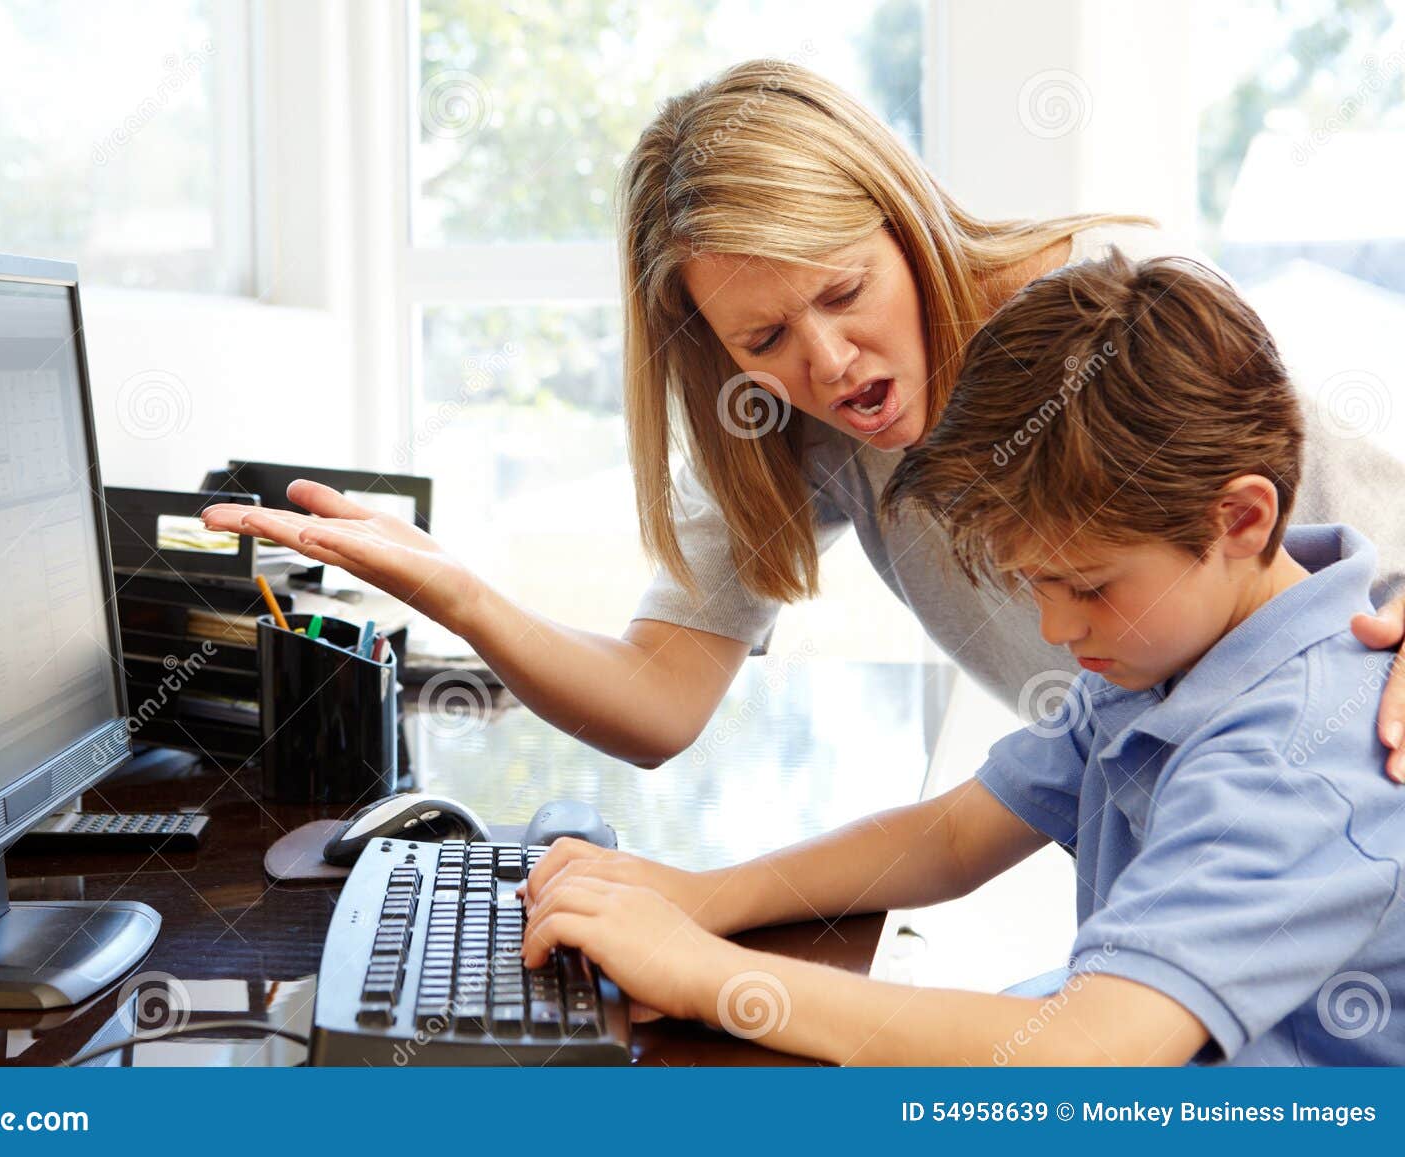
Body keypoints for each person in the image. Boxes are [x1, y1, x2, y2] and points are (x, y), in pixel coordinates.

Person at [200, 60, 1405, 778]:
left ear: (902, 218)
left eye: (843, 292)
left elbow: (1374, 535)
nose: (828, 364)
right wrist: (453, 590)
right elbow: (659, 701)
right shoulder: (786, 424)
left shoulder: (1104, 318)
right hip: (1158, 827)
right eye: (761, 337)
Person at [517, 253, 1405, 1065]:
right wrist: (701, 897)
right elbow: (954, 834)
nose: (1056, 627)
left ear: (1241, 520)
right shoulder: (1184, 653)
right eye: (1037, 585)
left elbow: (1086, 1055)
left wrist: (706, 975)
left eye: (1086, 587)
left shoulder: (1295, 756)